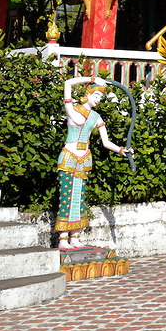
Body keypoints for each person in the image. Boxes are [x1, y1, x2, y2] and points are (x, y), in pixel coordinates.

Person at [56, 76, 127, 250]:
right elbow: (67, 84)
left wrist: (121, 150)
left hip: (84, 160)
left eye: (100, 98)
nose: (97, 100)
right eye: (95, 96)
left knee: (79, 199)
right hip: (69, 158)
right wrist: (93, 78)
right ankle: (63, 238)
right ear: (87, 94)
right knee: (66, 197)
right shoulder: (72, 110)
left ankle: (75, 236)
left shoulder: (96, 117)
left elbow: (106, 142)